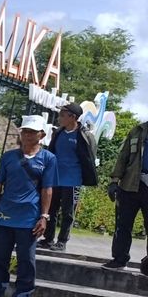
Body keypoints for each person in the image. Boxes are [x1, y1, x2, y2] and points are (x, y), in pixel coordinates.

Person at [0, 115, 57, 297]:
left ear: (42, 135)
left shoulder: (48, 159)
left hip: (30, 217)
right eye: (24, 131)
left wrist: (44, 217)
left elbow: (48, 189)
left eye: (32, 132)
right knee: (0, 258)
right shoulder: (8, 157)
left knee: (26, 260)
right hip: (6, 214)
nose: (27, 135)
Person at [44, 101, 97, 252]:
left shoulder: (84, 136)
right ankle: (48, 239)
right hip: (55, 178)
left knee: (68, 212)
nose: (59, 118)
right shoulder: (58, 133)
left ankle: (62, 241)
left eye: (62, 115)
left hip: (73, 180)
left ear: (73, 117)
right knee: (50, 210)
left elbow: (90, 159)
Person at [104, 118, 148, 273]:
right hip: (130, 184)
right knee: (123, 224)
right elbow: (123, 156)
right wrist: (114, 181)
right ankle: (119, 259)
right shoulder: (137, 130)